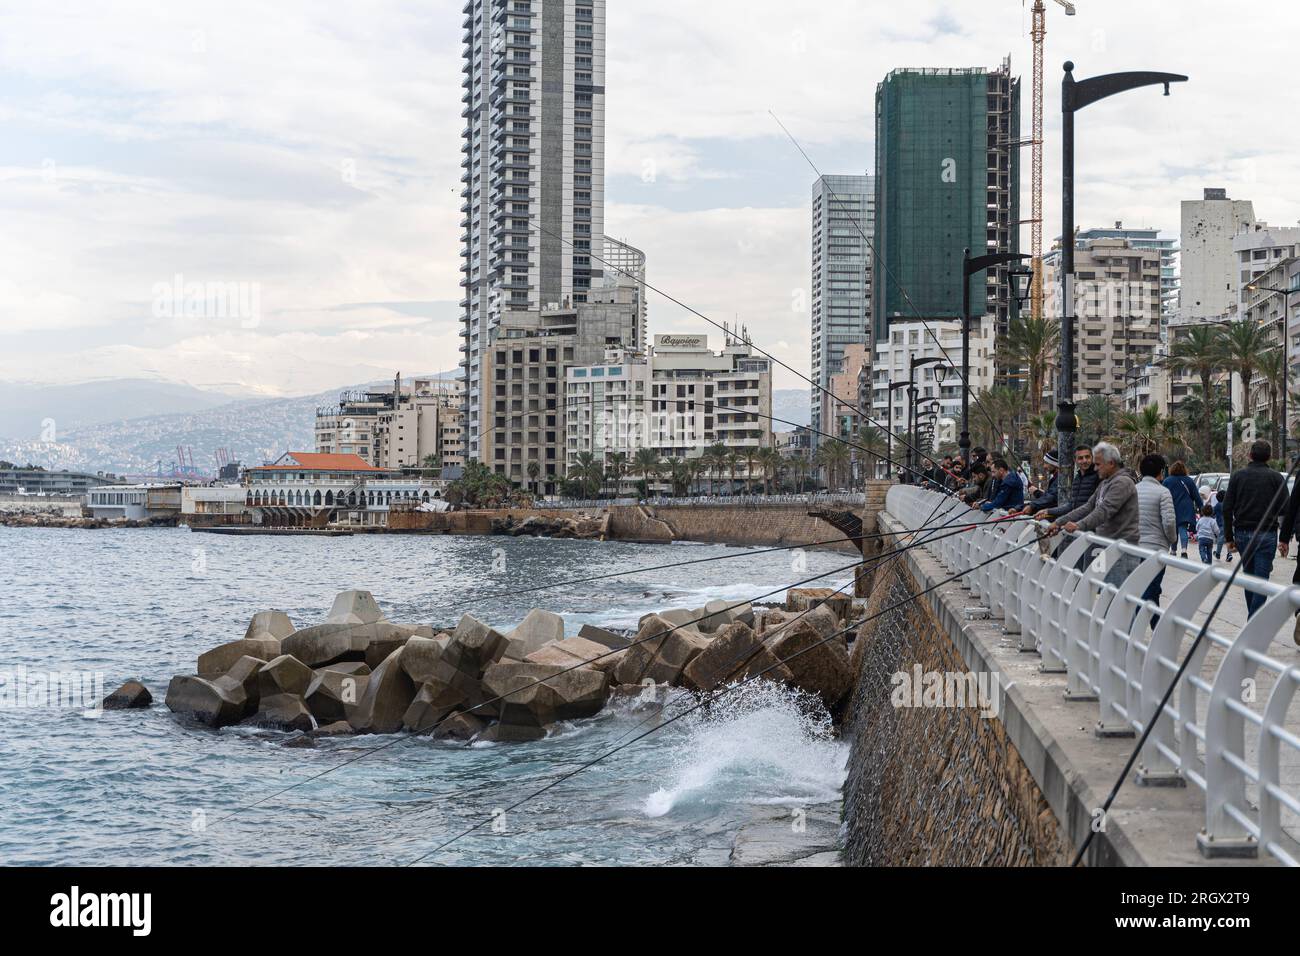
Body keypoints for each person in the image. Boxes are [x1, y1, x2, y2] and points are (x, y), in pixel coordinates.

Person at [1047, 442, 1140, 586]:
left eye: (1098, 464)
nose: (1095, 468)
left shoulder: (1122, 483)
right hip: (1106, 547)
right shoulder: (1104, 484)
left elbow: (1104, 511)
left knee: (1114, 600)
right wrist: (1059, 522)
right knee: (1099, 593)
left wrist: (1078, 525)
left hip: (1121, 551)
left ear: (1110, 463)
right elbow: (1087, 507)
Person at [1222, 439, 1287, 619]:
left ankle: (1252, 620)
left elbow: (1227, 507)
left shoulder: (1237, 476)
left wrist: (1228, 538)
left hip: (1242, 534)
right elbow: (1285, 508)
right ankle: (1254, 620)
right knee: (1262, 581)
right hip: (1267, 534)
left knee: (1249, 579)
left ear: (1250, 455)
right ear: (1269, 457)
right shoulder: (1276, 478)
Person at [1135, 453, 1176, 622]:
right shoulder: (1163, 492)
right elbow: (1169, 521)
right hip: (1155, 548)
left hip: (1133, 547)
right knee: (1150, 589)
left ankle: (1156, 626)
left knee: (1148, 588)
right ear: (1161, 472)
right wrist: (1172, 540)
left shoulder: (1133, 490)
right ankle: (1136, 625)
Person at [1035, 444, 1099, 524]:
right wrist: (1048, 511)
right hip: (1077, 526)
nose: (1084, 460)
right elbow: (1071, 505)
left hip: (1091, 529)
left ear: (1092, 457)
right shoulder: (1077, 479)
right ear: (1075, 460)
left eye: (1087, 457)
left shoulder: (1099, 476)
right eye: (1080, 458)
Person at [1162, 461, 1201, 558]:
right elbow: (1196, 496)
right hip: (1185, 508)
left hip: (1172, 507)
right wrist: (1202, 508)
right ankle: (1184, 551)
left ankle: (1173, 551)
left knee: (1173, 530)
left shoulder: (1167, 481)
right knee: (1183, 529)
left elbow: (1162, 495)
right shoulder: (1189, 480)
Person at [1020, 449, 1059, 514]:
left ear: (1055, 464)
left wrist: (1036, 492)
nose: (1044, 466)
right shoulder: (1055, 479)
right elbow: (1049, 498)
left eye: (1046, 463)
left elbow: (1050, 500)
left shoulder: (1057, 480)